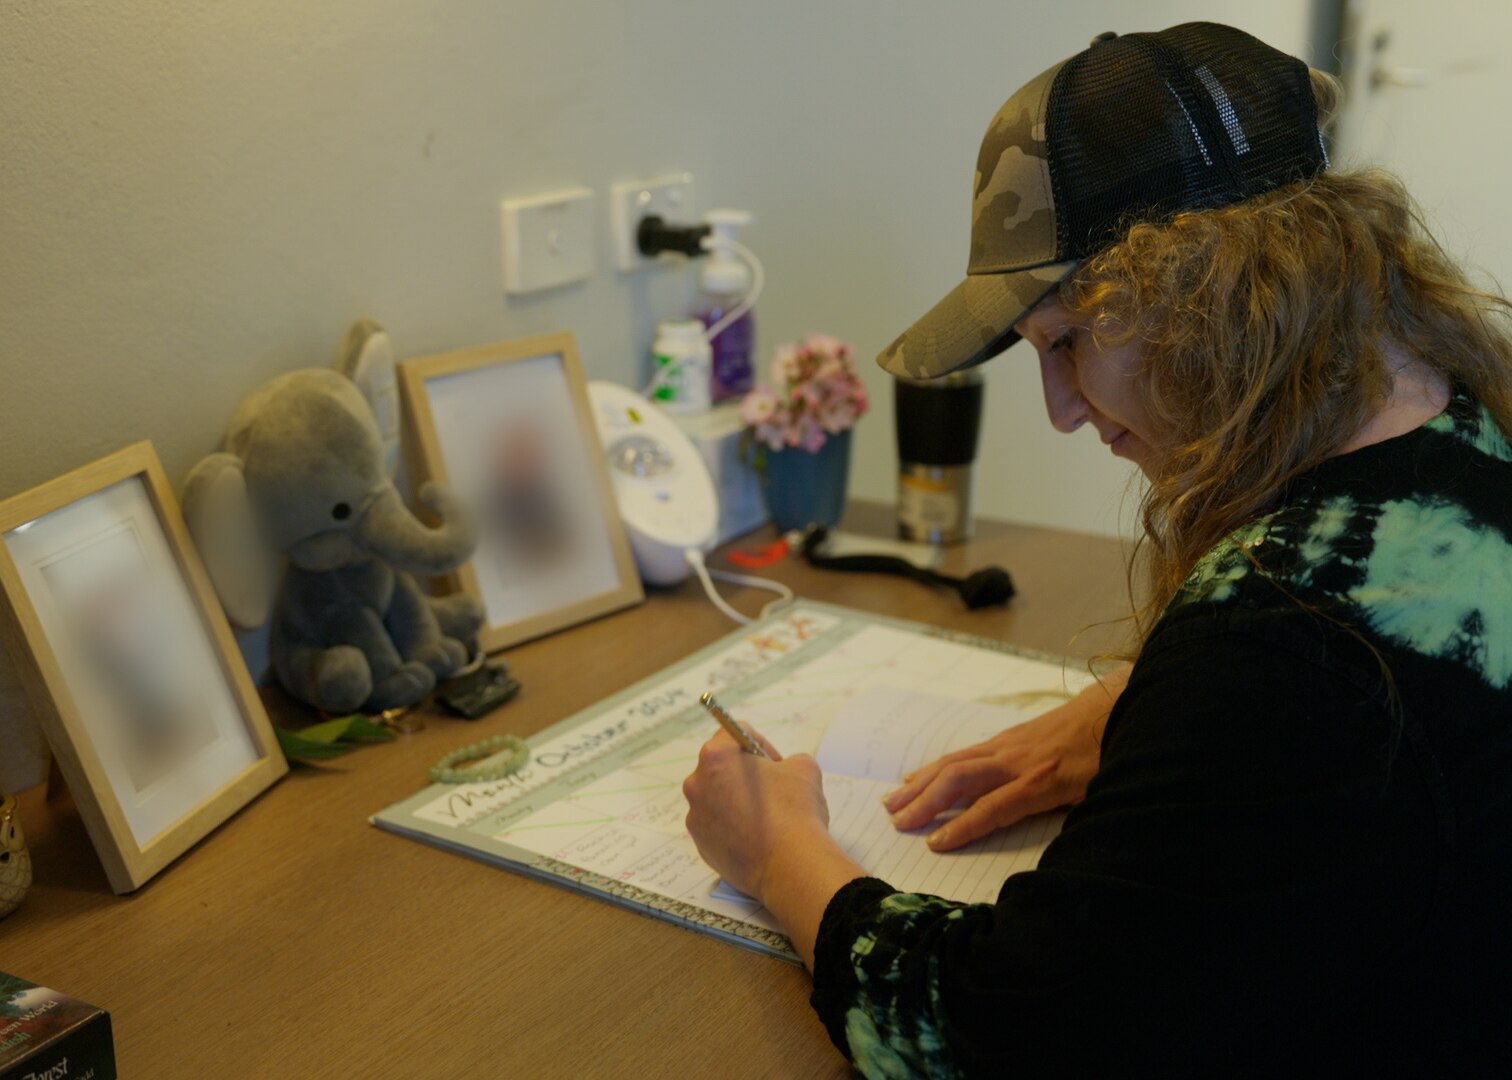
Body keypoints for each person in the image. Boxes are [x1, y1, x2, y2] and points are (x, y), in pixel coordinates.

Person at [682, 22, 1512, 1077]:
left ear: (1220, 291)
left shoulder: (1283, 642)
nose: (1064, 410)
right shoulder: (1467, 429)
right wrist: (1135, 708)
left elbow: (1006, 1039)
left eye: (1070, 339)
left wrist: (779, 853)